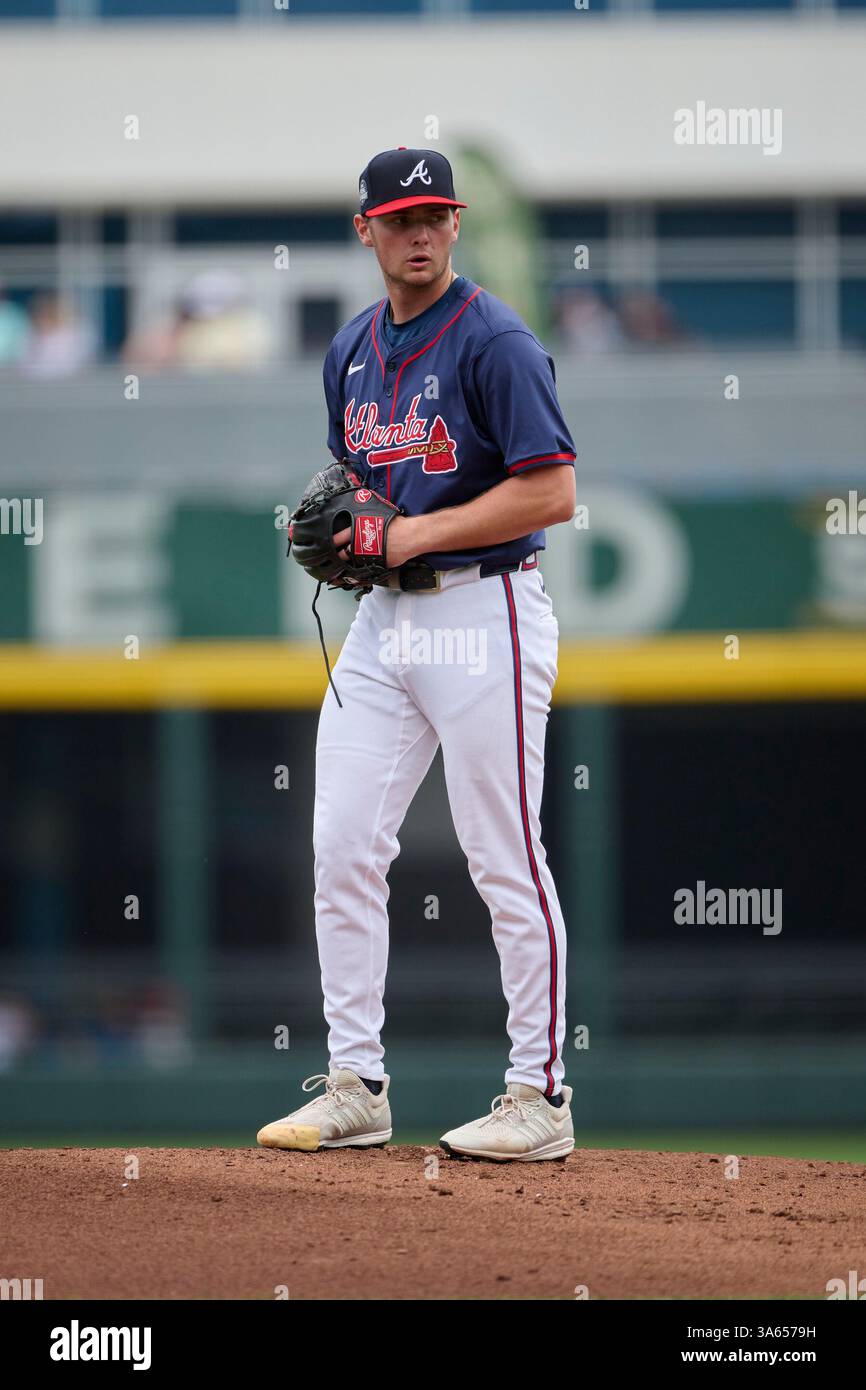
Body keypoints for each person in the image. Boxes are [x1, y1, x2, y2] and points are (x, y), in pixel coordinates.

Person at [258, 148, 577, 1162]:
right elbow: (356, 496)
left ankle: (538, 1093)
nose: (422, 231)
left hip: (486, 607)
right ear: (367, 232)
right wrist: (355, 539)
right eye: (401, 218)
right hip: (382, 625)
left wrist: (404, 537)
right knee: (342, 843)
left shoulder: (497, 341)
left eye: (436, 213)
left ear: (455, 221)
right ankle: (356, 1082)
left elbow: (550, 492)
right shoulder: (349, 348)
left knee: (503, 856)